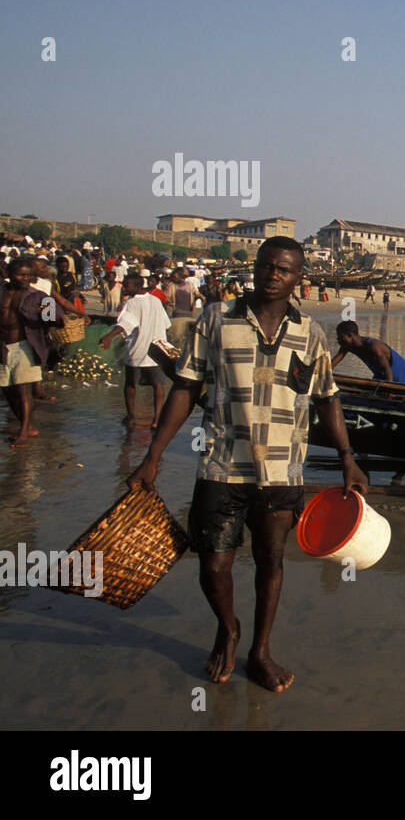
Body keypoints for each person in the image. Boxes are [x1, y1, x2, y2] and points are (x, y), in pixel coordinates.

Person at [126, 237, 367, 693]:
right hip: (222, 465)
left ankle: (260, 650)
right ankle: (228, 626)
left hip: (282, 471)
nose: (274, 274)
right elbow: (184, 388)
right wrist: (151, 457)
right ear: (255, 268)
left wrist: (347, 459)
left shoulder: (310, 333)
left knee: (270, 560)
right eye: (267, 266)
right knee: (213, 565)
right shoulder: (215, 319)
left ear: (299, 279)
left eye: (285, 269)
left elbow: (327, 399)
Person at [1, 258, 63, 446]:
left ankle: (24, 433)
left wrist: (44, 313)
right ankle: (26, 425)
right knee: (6, 389)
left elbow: (56, 320)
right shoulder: (2, 292)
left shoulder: (38, 296)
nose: (25, 278)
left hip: (26, 345)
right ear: (10, 274)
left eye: (29, 275)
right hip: (4, 346)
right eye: (20, 274)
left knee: (24, 390)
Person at [99, 274, 172, 427]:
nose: (124, 288)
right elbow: (166, 324)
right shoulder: (156, 301)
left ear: (137, 286)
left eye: (127, 285)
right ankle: (157, 419)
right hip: (156, 352)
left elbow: (126, 323)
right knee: (158, 385)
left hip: (137, 351)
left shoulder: (131, 303)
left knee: (130, 384)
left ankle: (131, 417)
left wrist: (109, 336)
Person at [332, 321, 405, 384]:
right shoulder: (347, 346)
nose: (338, 339)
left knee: (400, 393)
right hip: (379, 371)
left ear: (350, 335)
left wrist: (389, 390)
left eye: (340, 337)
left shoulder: (373, 346)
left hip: (396, 368)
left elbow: (387, 369)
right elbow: (332, 364)